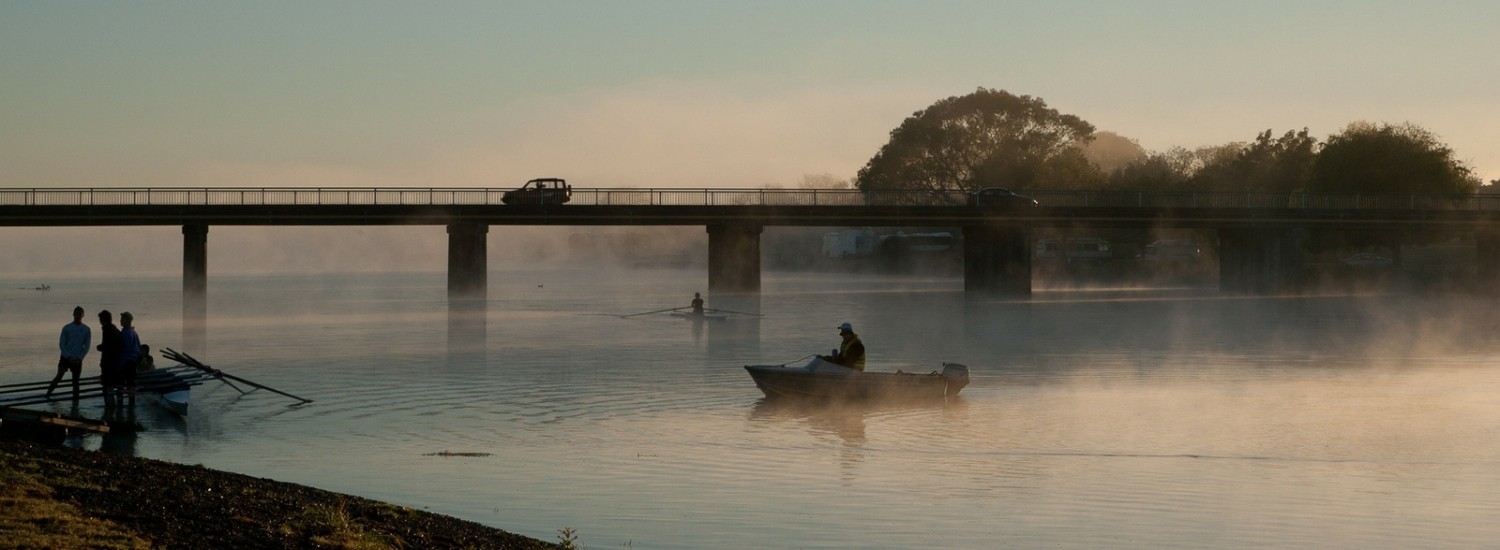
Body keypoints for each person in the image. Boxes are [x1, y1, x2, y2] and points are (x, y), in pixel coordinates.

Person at [46, 306, 92, 399]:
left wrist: (80, 358)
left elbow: (86, 346)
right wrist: (68, 356)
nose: (78, 315)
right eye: (76, 313)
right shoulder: (67, 328)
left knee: (75, 382)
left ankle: (75, 402)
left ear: (83, 315)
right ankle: (47, 395)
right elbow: (62, 344)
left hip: (78, 359)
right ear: (73, 314)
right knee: (59, 377)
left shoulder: (86, 329)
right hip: (65, 358)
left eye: (80, 313)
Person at [96, 310, 124, 409]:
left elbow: (107, 347)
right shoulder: (116, 330)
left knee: (107, 386)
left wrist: (100, 347)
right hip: (116, 363)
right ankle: (115, 408)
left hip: (108, 363)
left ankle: (109, 407)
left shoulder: (107, 330)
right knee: (113, 386)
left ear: (103, 320)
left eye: (100, 319)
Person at [119, 312, 142, 395]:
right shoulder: (134, 332)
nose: (120, 321)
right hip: (133, 361)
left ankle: (120, 404)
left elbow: (125, 350)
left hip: (127, 362)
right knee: (131, 385)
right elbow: (139, 348)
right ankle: (131, 405)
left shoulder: (125, 333)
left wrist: (121, 365)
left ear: (126, 320)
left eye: (121, 319)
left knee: (120, 385)